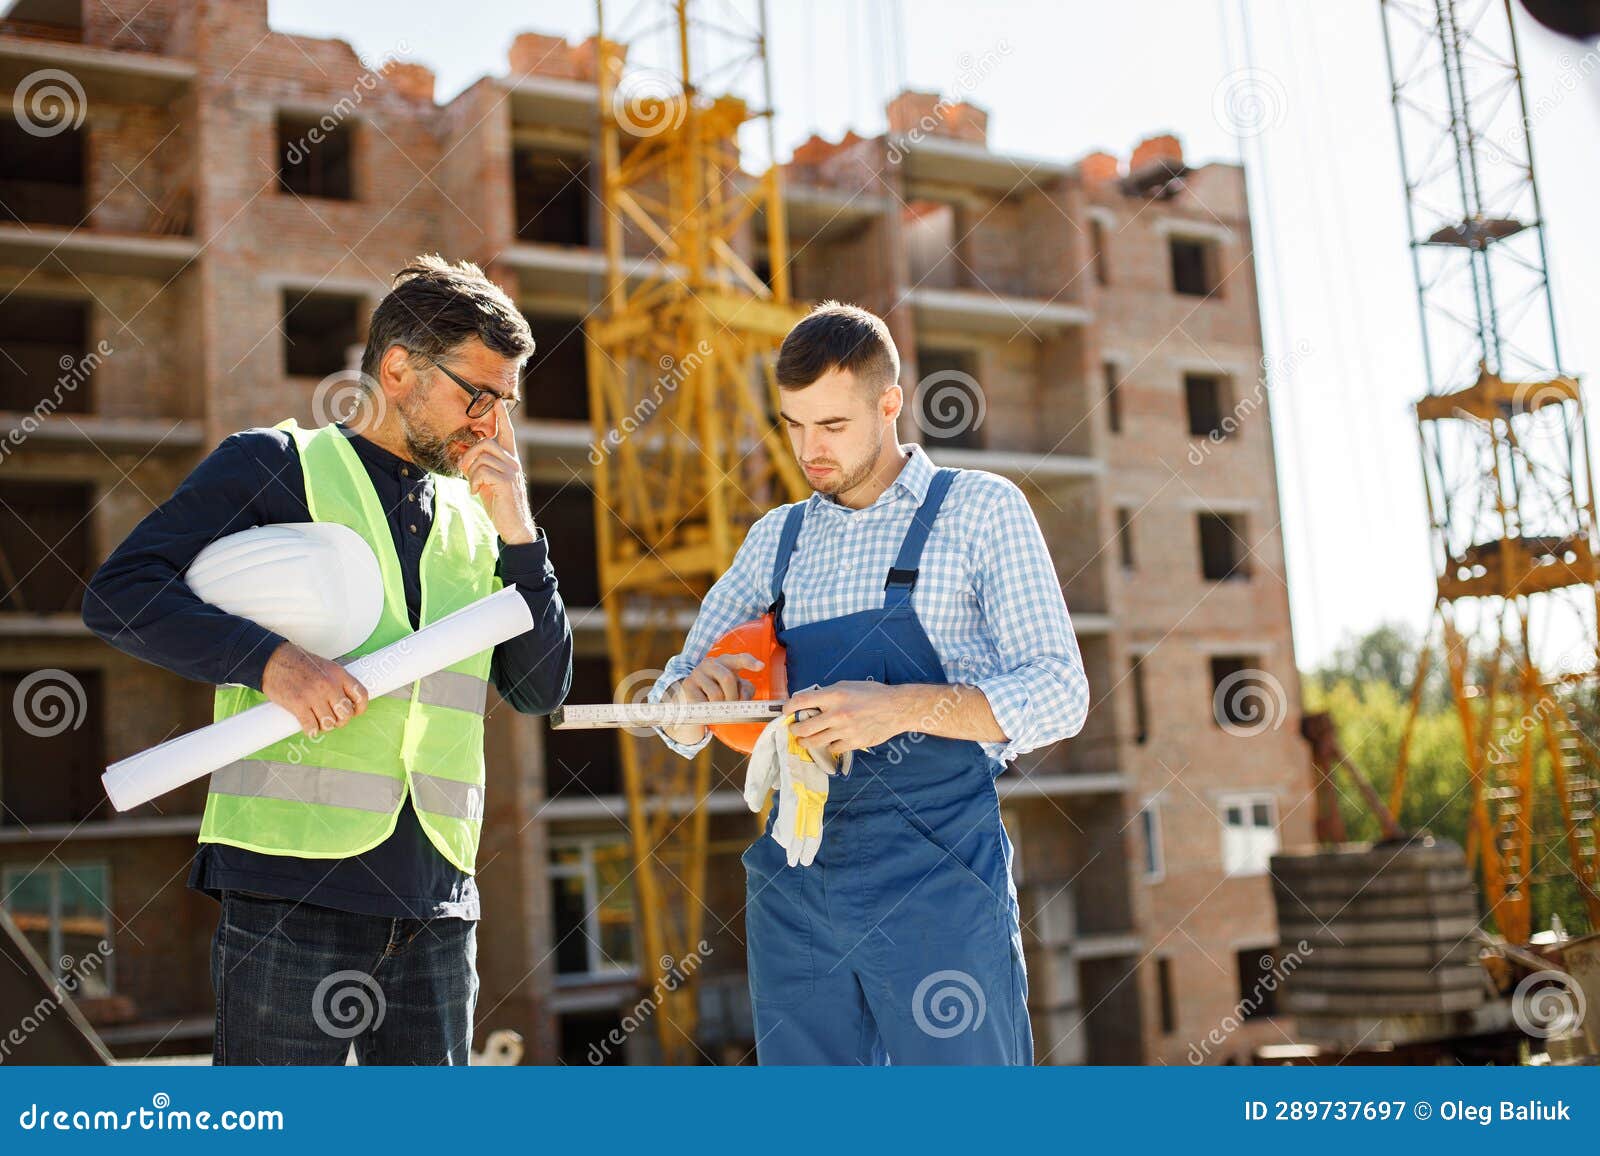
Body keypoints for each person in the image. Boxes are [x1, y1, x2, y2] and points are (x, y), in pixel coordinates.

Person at [84, 255, 573, 1065]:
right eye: (476, 395)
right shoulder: (275, 465)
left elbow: (537, 686)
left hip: (438, 901)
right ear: (397, 368)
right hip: (291, 891)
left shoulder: (481, 512)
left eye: (504, 405)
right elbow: (122, 594)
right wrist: (268, 661)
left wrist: (522, 534)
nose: (489, 423)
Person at [649, 301, 1089, 1064]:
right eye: (793, 425)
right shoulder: (775, 540)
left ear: (889, 404)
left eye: (833, 426)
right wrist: (692, 702)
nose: (809, 450)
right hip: (799, 880)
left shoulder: (980, 511)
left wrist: (896, 710)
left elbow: (1061, 691)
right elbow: (678, 699)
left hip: (938, 876)